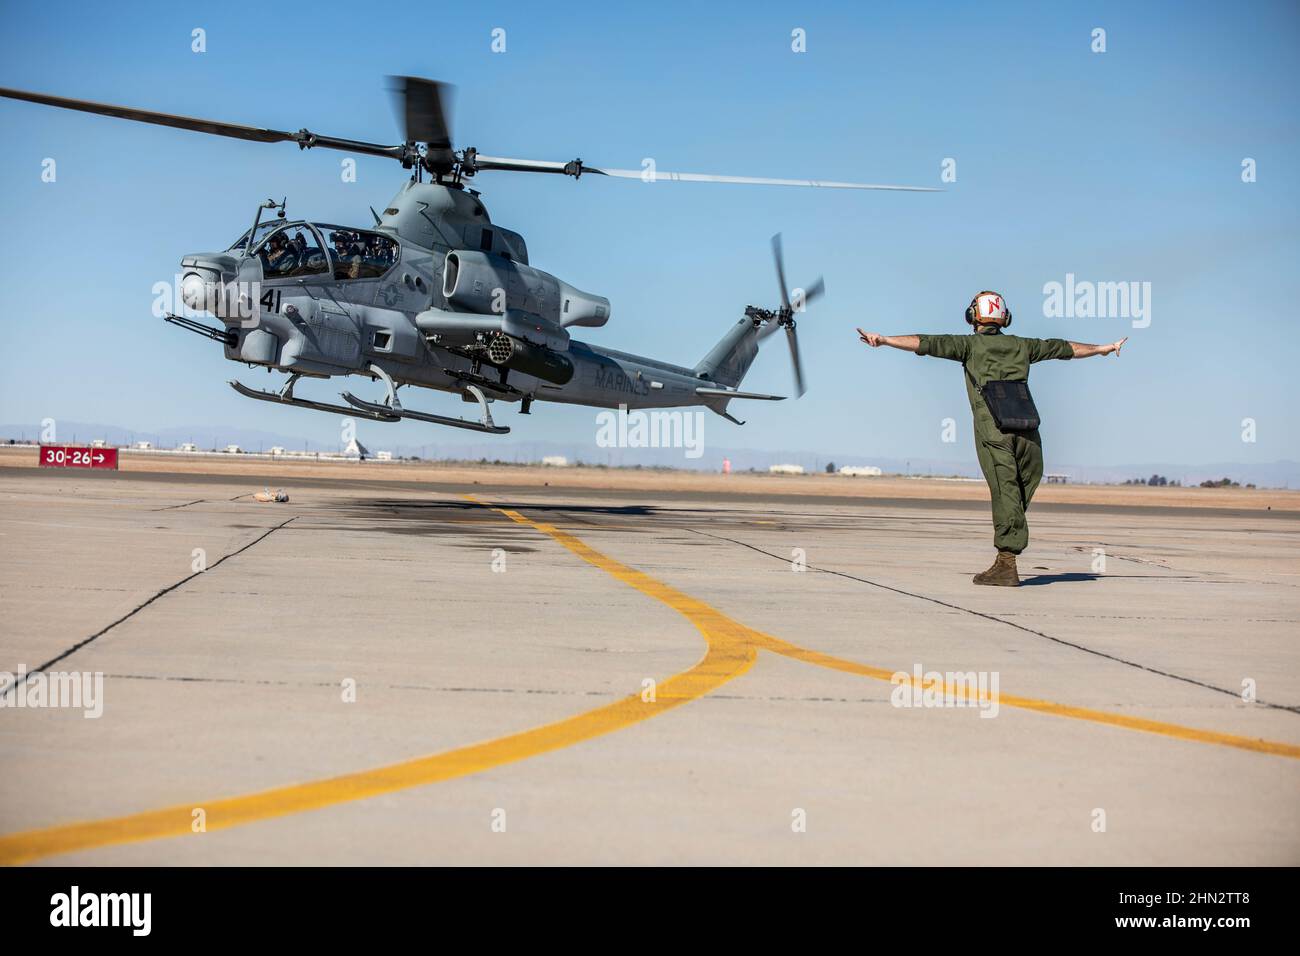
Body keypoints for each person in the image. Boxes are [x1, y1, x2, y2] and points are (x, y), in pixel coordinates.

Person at [856, 290, 1128, 586]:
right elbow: (1062, 349)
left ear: (973, 317)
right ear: (1004, 318)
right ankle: (1009, 544)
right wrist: (1102, 348)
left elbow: (926, 343)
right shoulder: (1022, 346)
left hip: (994, 428)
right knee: (1024, 483)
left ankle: (1006, 562)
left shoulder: (967, 345)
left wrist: (883, 340)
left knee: (1005, 487)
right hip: (1027, 425)